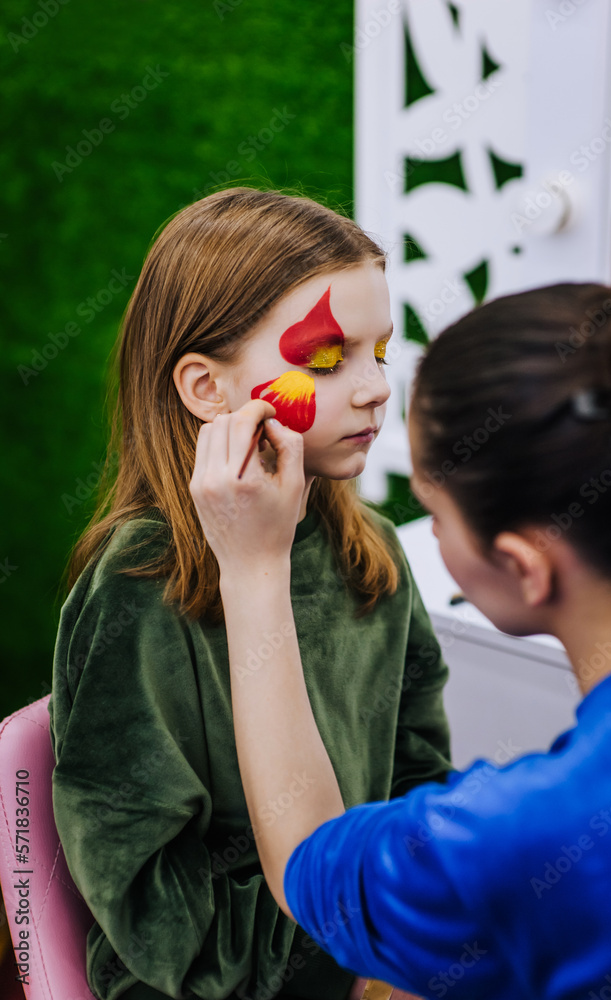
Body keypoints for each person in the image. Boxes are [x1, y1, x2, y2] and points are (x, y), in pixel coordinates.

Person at [189, 275, 611, 1000]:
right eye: (325, 357)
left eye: (435, 512)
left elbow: (308, 866)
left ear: (520, 565)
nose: (373, 390)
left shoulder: (531, 837)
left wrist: (253, 570)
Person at [48, 187, 453, 1000]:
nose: (375, 387)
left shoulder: (368, 549)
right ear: (206, 388)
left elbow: (419, 774)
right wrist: (352, 966)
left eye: (380, 351)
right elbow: (148, 901)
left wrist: (409, 927)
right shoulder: (141, 581)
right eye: (329, 358)